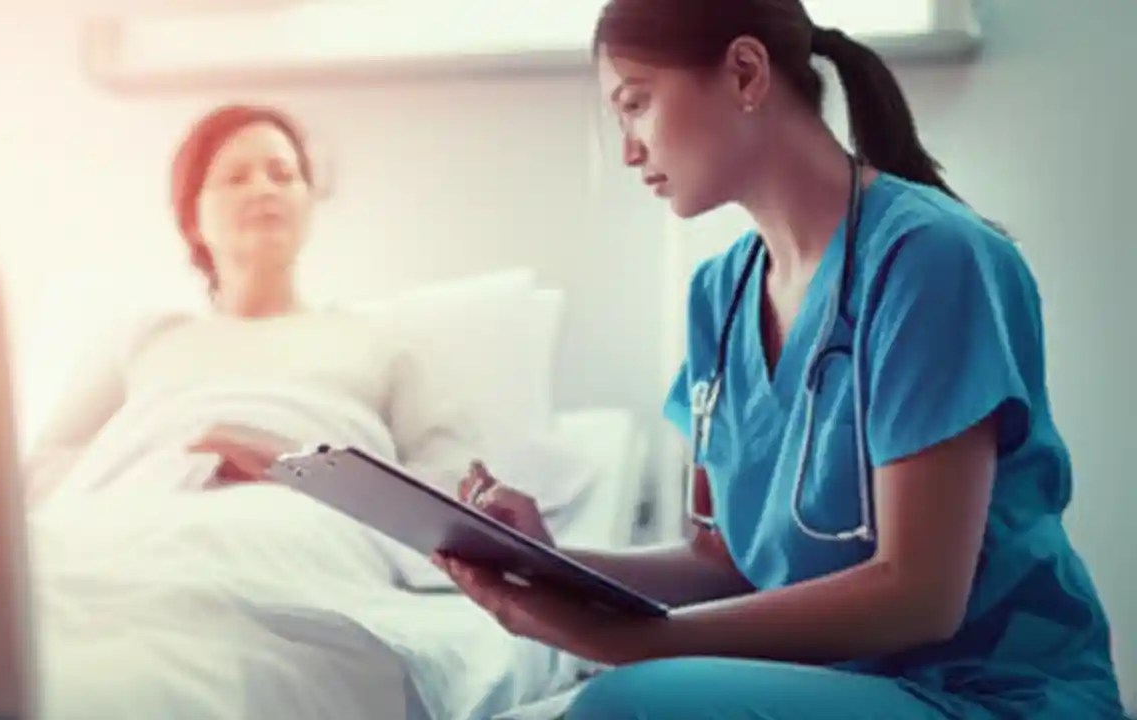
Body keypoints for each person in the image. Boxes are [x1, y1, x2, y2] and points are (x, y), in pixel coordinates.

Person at [425, 1, 1127, 718]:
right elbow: (722, 565)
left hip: (989, 695)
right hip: (838, 690)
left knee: (630, 703)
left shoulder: (932, 260)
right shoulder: (719, 296)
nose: (630, 149)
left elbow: (921, 596)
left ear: (745, 71)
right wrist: (552, 565)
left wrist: (634, 641)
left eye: (635, 104)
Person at [25, 103, 475, 502]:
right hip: (138, 519)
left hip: (301, 534)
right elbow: (38, 479)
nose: (264, 189)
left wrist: (302, 473)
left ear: (308, 204)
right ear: (192, 218)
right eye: (236, 178)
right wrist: (153, 467)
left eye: (283, 175)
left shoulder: (381, 341)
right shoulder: (143, 340)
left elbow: (457, 493)